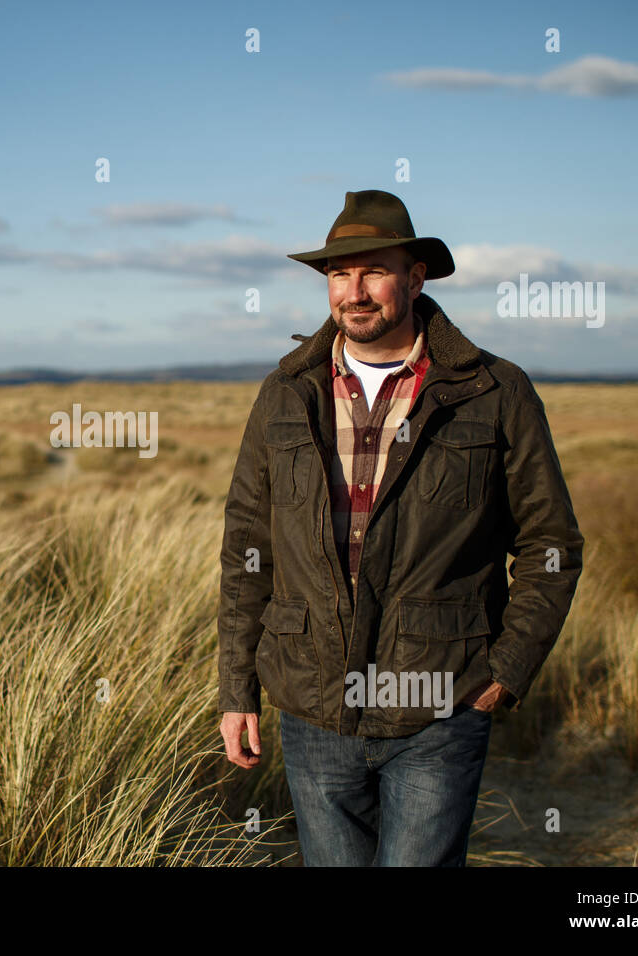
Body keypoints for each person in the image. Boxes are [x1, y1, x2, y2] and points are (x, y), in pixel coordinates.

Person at [216, 189, 583, 866]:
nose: (354, 292)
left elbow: (550, 547)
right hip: (312, 704)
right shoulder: (286, 393)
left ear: (415, 277)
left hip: (439, 705)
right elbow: (248, 548)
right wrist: (237, 687)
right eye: (337, 274)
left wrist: (504, 672)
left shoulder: (495, 392)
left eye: (373, 271)